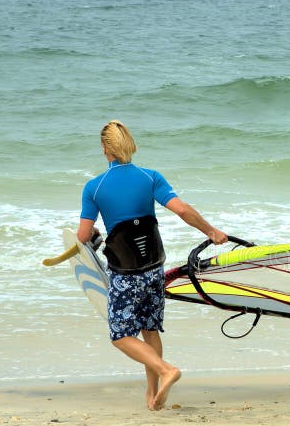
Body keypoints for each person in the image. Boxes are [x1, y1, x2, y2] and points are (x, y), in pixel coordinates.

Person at [77, 120, 228, 410]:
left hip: (126, 271)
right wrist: (211, 231)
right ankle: (152, 394)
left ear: (105, 148)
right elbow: (182, 209)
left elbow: (84, 236)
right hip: (154, 266)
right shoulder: (150, 177)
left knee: (121, 336)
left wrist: (91, 235)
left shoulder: (95, 187)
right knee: (149, 328)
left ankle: (166, 370)